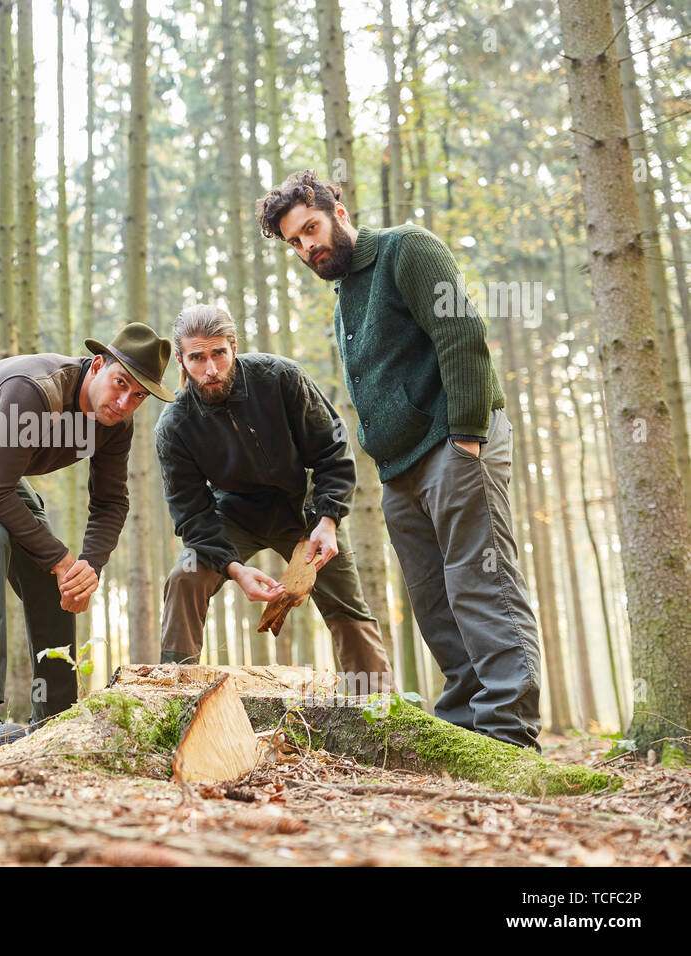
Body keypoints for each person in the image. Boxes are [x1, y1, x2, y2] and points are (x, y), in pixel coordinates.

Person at [258, 169, 543, 750]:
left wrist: (466, 437)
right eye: (295, 242)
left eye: (311, 228)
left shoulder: (406, 250)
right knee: (434, 600)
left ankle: (510, 733)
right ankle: (469, 732)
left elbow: (462, 333)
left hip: (455, 442)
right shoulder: (343, 299)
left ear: (338, 210)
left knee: (481, 584)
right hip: (400, 471)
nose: (308, 246)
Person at [0, 323, 175, 743]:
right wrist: (64, 559)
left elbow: (111, 503)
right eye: (121, 383)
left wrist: (87, 566)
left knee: (51, 569)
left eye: (138, 396)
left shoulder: (114, 424)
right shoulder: (35, 391)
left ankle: (55, 715)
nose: (124, 402)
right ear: (98, 365)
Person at [155, 304, 393, 691]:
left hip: (304, 509)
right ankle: (172, 695)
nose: (211, 369)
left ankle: (382, 712)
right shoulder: (174, 426)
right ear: (181, 360)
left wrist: (327, 520)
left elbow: (332, 451)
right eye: (197, 358)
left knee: (347, 601)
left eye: (219, 354)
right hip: (231, 514)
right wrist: (234, 568)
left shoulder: (282, 378)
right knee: (185, 575)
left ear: (234, 346)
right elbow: (191, 515)